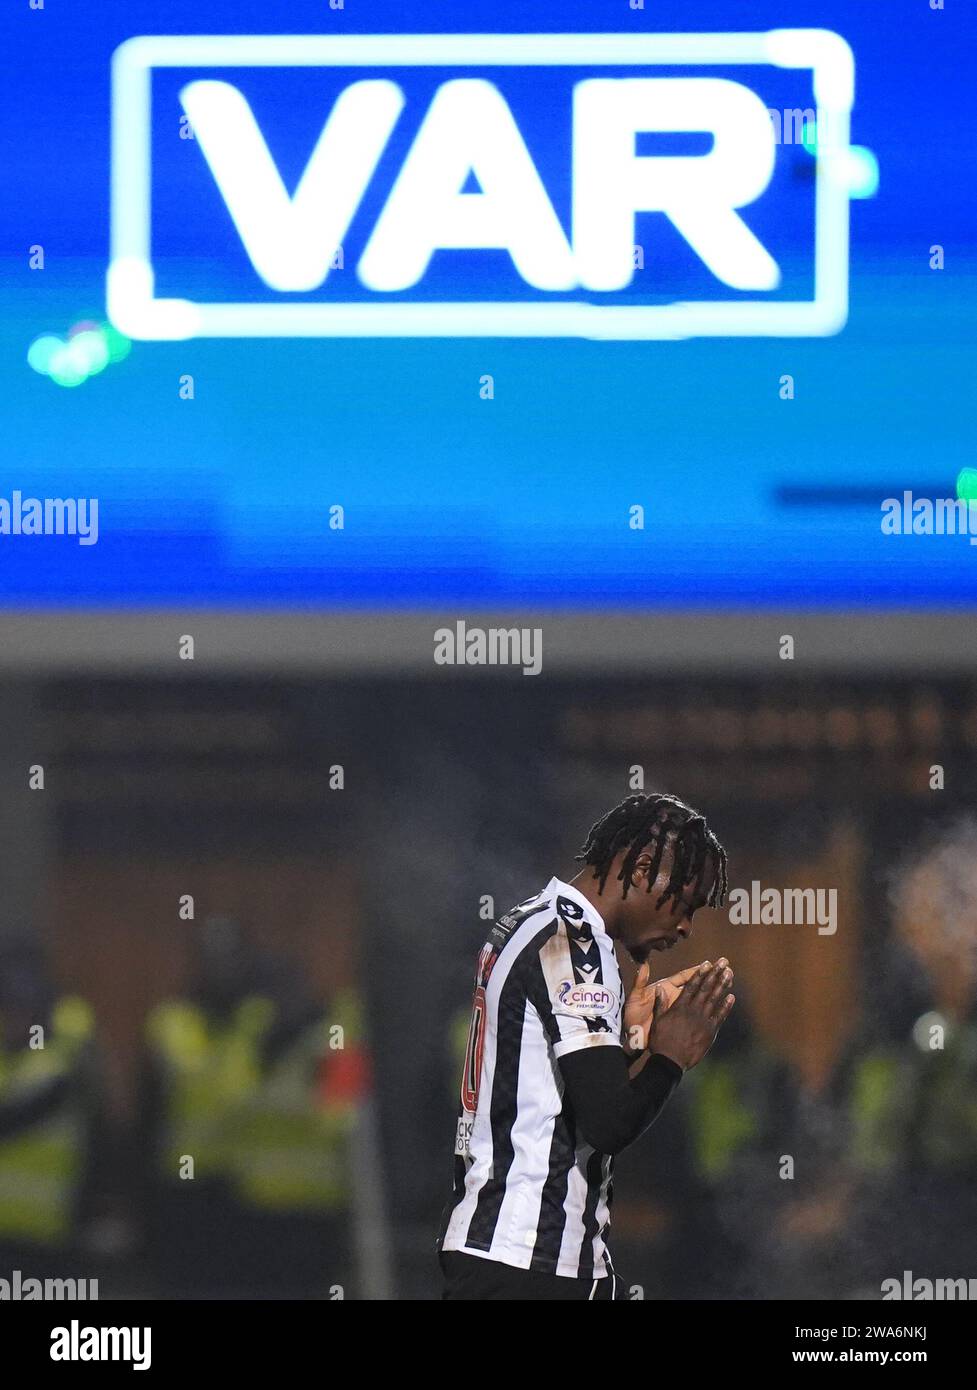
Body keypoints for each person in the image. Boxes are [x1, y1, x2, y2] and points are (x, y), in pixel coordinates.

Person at [438, 792, 735, 1300]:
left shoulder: (532, 919)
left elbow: (551, 1091)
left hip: (496, 1245)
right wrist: (670, 1055)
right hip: (536, 1260)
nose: (687, 926)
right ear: (642, 869)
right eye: (685, 902)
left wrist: (630, 1040)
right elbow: (609, 1122)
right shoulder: (576, 942)